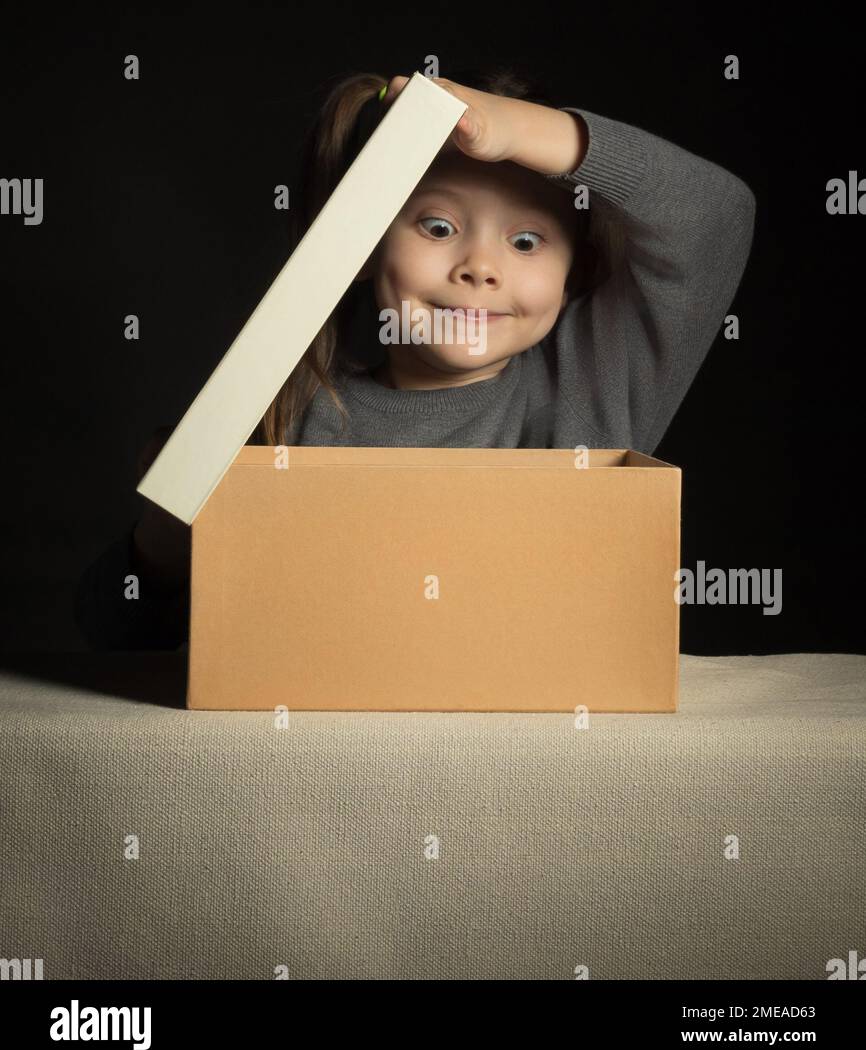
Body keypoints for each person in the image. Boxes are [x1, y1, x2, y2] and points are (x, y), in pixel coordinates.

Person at [74, 66, 756, 650]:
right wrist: (164, 543)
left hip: (530, 766)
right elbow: (113, 634)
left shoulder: (595, 383)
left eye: (526, 242)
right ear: (366, 243)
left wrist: (518, 130)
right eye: (437, 227)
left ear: (576, 271)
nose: (481, 267)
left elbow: (718, 213)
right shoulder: (294, 410)